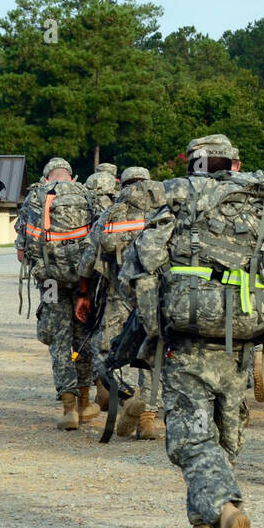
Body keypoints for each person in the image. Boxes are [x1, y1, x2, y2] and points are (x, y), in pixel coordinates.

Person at [121, 135, 264, 528]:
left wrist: (153, 329)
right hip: (243, 336)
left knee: (191, 434)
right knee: (225, 426)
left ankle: (225, 510)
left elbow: (142, 262)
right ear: (235, 162)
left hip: (189, 335)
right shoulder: (263, 204)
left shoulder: (181, 199)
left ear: (194, 164)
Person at [81, 165, 165, 439]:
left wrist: (82, 291)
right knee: (152, 355)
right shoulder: (165, 211)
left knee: (103, 354)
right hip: (153, 298)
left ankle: (127, 397)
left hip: (119, 296)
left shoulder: (111, 213)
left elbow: (88, 258)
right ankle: (149, 417)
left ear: (122, 184)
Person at [21, 157, 102, 429]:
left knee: (59, 340)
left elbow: (26, 246)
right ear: (72, 176)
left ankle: (69, 410)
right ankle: (85, 402)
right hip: (83, 281)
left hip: (51, 282)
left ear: (47, 178)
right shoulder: (87, 195)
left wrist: (43, 272)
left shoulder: (36, 197)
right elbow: (99, 239)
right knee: (83, 340)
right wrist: (86, 286)